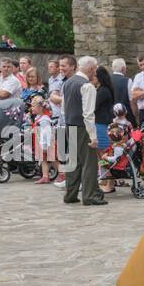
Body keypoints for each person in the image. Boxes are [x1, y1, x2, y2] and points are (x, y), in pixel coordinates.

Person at [62, 56, 105, 206]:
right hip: (82, 127)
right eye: (95, 69)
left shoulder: (67, 83)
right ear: (91, 69)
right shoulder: (87, 86)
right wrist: (93, 136)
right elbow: (88, 114)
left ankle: (70, 194)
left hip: (69, 125)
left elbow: (63, 109)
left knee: (73, 161)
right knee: (89, 162)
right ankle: (90, 195)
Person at [93, 65, 116, 192]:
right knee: (100, 155)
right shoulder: (101, 89)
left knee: (104, 154)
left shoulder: (103, 91)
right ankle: (105, 178)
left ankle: (110, 182)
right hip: (99, 124)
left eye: (95, 76)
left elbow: (94, 106)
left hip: (102, 125)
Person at [31, 97, 56, 183]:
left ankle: (62, 173)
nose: (31, 108)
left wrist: (45, 146)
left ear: (40, 107)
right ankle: (45, 176)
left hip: (46, 144)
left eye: (33, 106)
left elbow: (47, 133)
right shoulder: (38, 117)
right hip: (41, 143)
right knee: (43, 159)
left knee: (53, 159)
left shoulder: (44, 119)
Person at [109, 58, 135, 125]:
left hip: (110, 116)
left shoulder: (107, 80)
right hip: (126, 117)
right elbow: (131, 101)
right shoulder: (127, 80)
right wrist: (135, 115)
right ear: (123, 69)